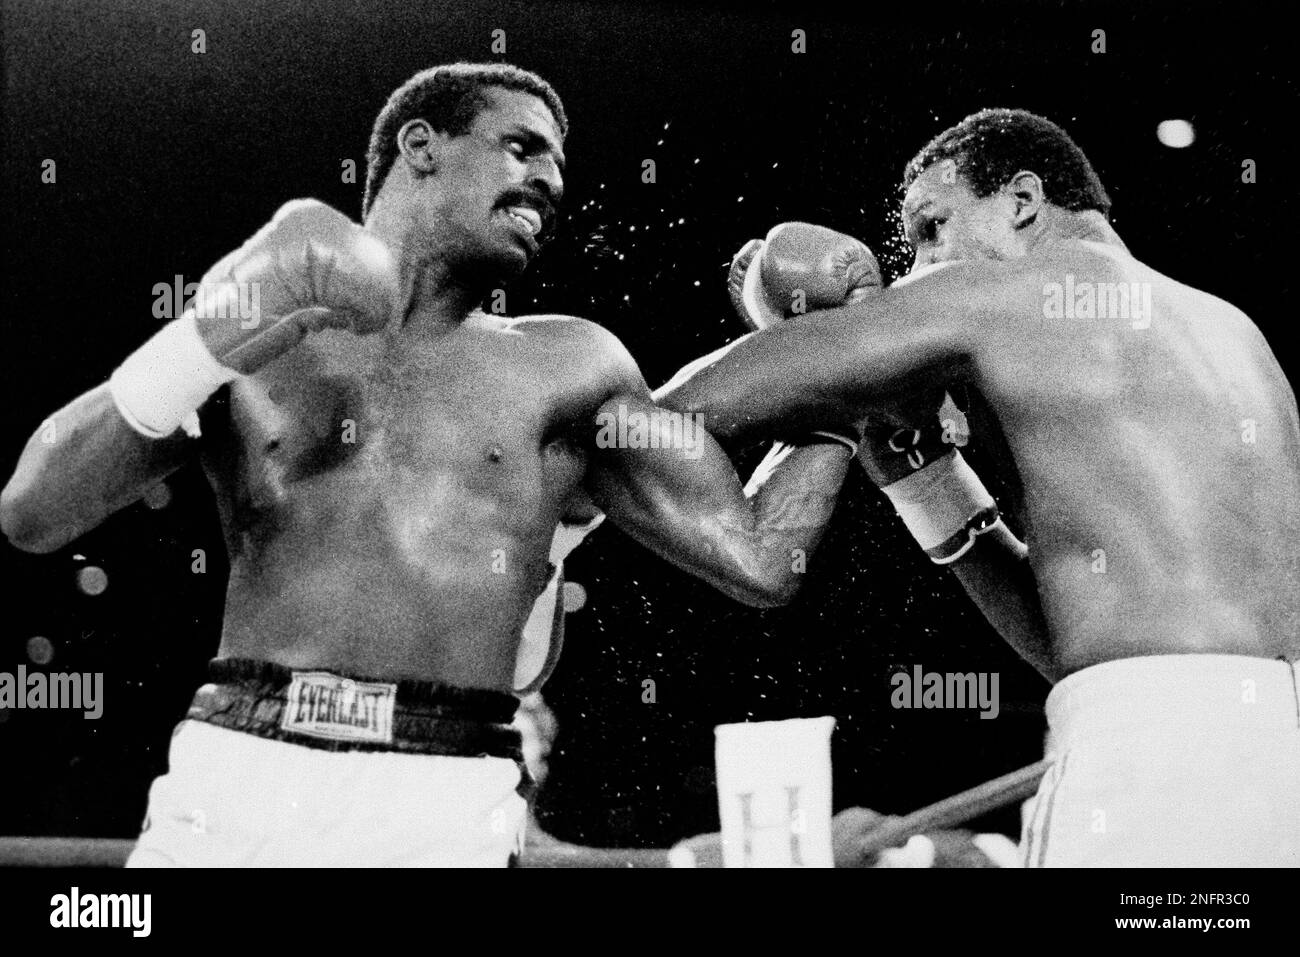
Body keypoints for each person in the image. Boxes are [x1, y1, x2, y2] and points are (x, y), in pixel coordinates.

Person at [0, 63, 862, 867]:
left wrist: (841, 393)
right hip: (236, 763)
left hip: (445, 793)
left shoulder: (571, 366)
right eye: (522, 148)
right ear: (421, 146)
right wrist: (211, 329)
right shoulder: (266, 331)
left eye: (560, 166)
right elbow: (34, 509)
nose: (552, 183)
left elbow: (758, 559)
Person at [656, 108, 1300, 866]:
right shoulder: (1237, 335)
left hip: (1140, 757)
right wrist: (927, 484)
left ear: (1022, 201)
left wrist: (783, 321)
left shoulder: (995, 292)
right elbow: (1082, 644)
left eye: (933, 227)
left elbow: (694, 408)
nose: (919, 267)